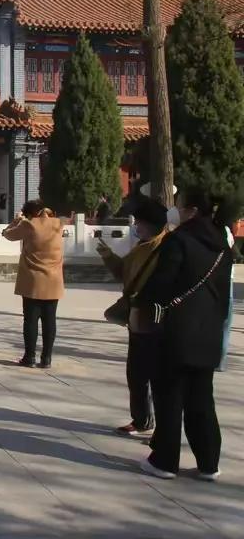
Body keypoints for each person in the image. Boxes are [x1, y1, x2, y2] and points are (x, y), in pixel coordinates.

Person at [135, 189, 232, 481]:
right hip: (209, 331)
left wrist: (142, 300)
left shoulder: (180, 241)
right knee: (202, 398)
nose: (173, 210)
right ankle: (208, 463)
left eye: (177, 206)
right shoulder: (222, 245)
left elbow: (162, 284)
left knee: (170, 396)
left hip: (176, 331)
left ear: (190, 210)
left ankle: (164, 461)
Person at [96, 197, 168, 437]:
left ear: (154, 225)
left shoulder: (167, 248)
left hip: (157, 321)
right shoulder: (140, 247)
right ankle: (142, 420)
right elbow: (122, 273)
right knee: (135, 373)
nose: (136, 228)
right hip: (136, 318)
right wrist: (107, 255)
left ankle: (163, 429)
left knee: (157, 376)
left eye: (140, 223)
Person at [3, 199, 64, 368]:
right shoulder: (58, 225)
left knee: (30, 320)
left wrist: (17, 220)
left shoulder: (29, 225)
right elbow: (52, 216)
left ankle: (29, 357)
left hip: (33, 280)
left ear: (29, 214)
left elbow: (7, 234)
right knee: (49, 320)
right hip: (53, 280)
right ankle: (47, 359)